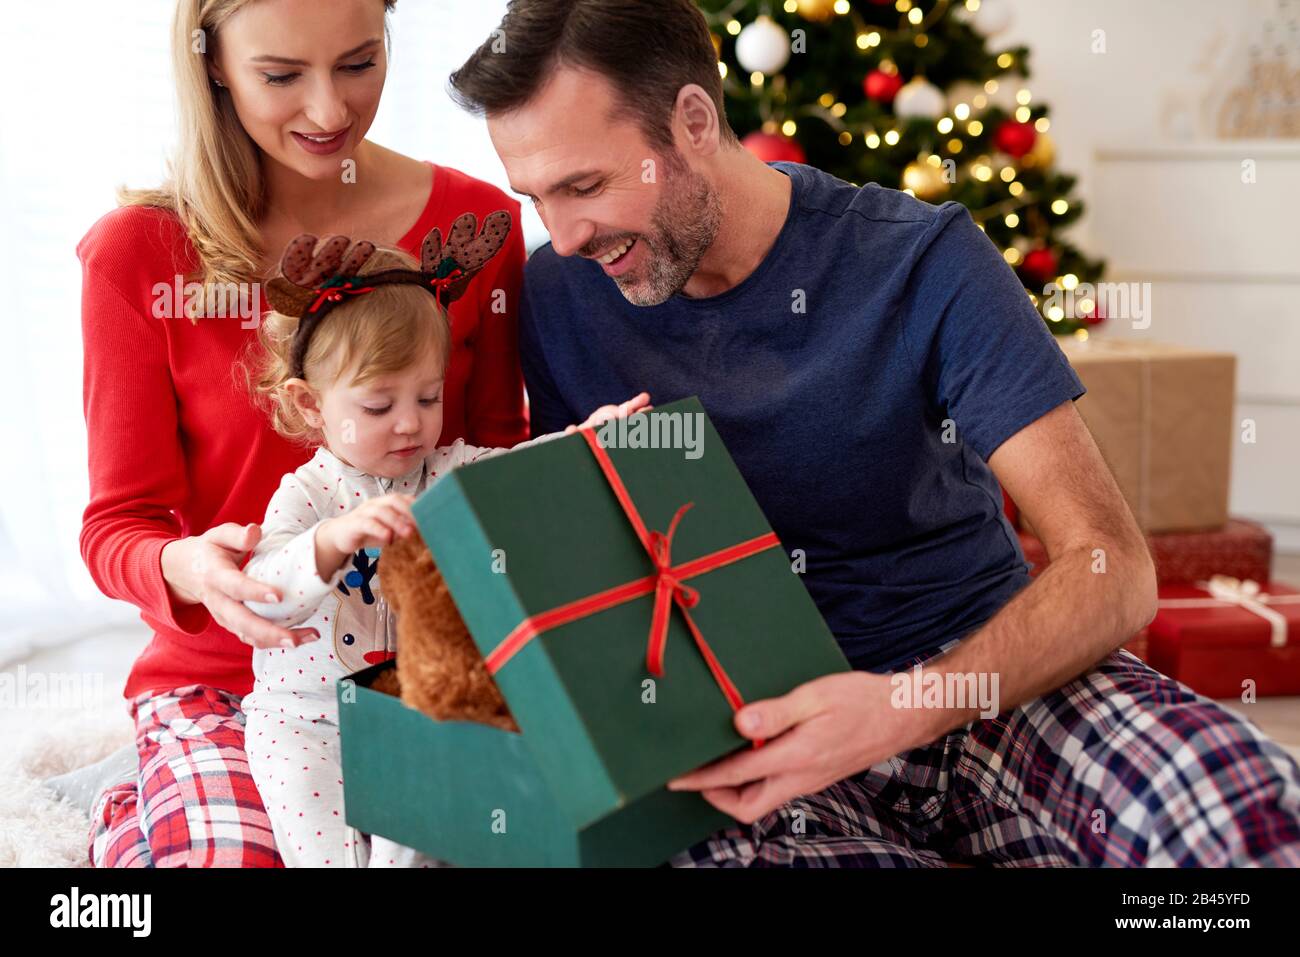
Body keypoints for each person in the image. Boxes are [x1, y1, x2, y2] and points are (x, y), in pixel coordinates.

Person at [448, 0, 1300, 865]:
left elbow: (1112, 569)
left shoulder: (920, 258)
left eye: (585, 186)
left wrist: (900, 707)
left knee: (1241, 809)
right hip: (752, 726)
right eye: (537, 197)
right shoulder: (559, 293)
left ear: (694, 122)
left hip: (981, 676)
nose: (562, 234)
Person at [78, 0, 530, 867]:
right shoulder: (137, 255)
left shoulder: (475, 231)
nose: (330, 113)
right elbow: (117, 527)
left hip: (426, 674)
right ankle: (141, 787)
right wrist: (191, 566)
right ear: (212, 62)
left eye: (359, 63)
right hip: (226, 681)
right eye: (282, 76)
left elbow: (494, 472)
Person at [238, 227, 647, 866]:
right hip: (307, 721)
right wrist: (330, 541)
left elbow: (519, 475)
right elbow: (266, 597)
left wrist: (585, 444)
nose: (410, 423)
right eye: (378, 406)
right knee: (321, 844)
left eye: (428, 397)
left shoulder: (447, 469)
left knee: (439, 826)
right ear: (310, 404)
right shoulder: (308, 495)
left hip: (416, 709)